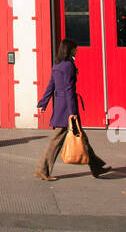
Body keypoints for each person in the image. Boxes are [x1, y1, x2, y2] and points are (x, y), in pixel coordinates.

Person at [35, 38, 109, 181]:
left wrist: (43, 102)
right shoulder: (68, 65)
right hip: (67, 108)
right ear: (69, 50)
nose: (77, 50)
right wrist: (73, 112)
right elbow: (69, 89)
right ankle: (42, 169)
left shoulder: (57, 65)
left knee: (81, 137)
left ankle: (96, 167)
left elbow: (51, 85)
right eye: (75, 48)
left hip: (60, 105)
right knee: (59, 139)